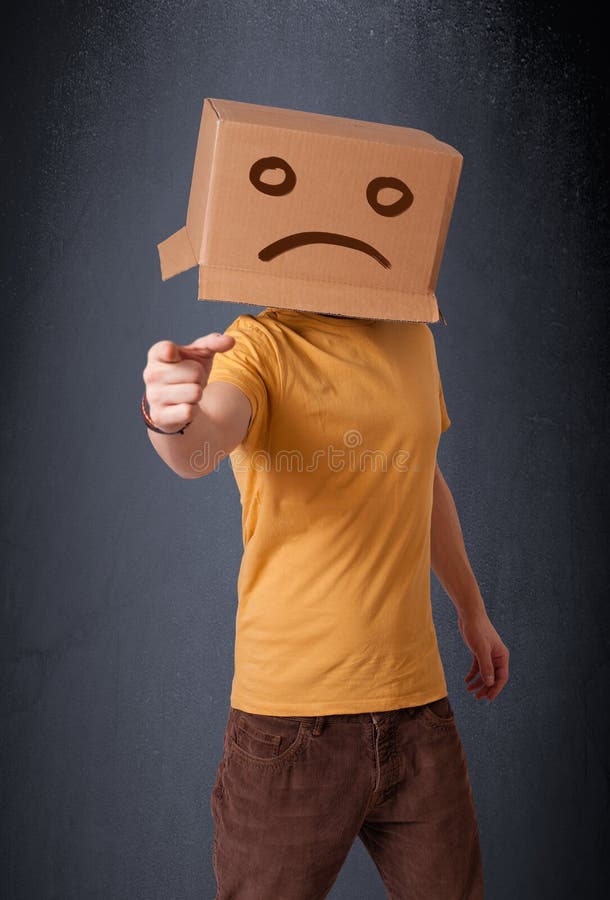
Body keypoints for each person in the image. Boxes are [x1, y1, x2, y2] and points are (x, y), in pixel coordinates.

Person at [141, 305, 510, 899]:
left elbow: (422, 475)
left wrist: (472, 609)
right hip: (290, 727)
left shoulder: (414, 337)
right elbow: (201, 448)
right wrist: (169, 419)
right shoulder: (257, 344)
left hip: (418, 711)